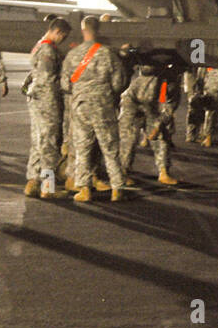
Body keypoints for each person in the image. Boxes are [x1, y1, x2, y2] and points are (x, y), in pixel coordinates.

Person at [60, 16, 127, 203]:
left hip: (81, 105)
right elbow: (118, 82)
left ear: (83, 30)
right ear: (98, 30)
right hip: (103, 105)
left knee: (82, 147)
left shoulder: (72, 55)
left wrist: (81, 89)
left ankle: (84, 189)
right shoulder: (107, 54)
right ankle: (117, 188)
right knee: (110, 147)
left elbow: (65, 84)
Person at [25, 18, 72, 198]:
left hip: (36, 100)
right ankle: (48, 187)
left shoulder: (38, 45)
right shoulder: (48, 50)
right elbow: (46, 80)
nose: (63, 40)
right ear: (58, 32)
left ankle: (33, 182)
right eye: (63, 37)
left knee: (37, 142)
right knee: (50, 143)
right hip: (46, 101)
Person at [119, 63, 181, 185]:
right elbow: (142, 97)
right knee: (129, 138)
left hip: (151, 107)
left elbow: (168, 110)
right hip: (131, 104)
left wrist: (157, 127)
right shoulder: (148, 79)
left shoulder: (172, 87)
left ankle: (163, 172)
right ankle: (123, 172)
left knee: (161, 138)